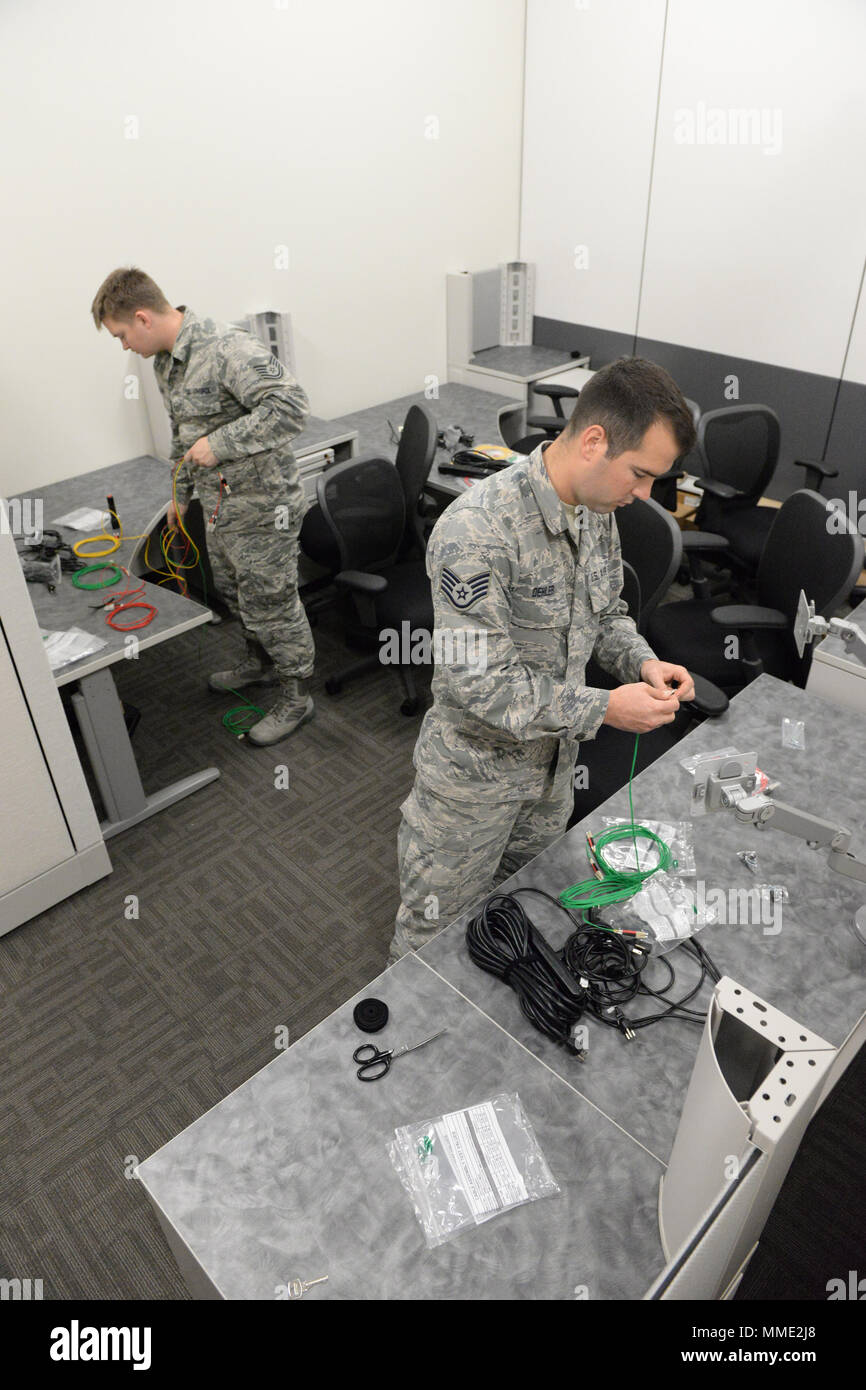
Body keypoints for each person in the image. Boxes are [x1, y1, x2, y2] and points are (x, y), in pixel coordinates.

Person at [391, 356, 698, 961]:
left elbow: (606, 613)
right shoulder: (477, 530)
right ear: (593, 441)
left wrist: (641, 664)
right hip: (472, 786)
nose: (645, 495)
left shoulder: (594, 510)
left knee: (520, 915)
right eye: (640, 474)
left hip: (554, 772)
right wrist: (606, 708)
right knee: (432, 945)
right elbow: (481, 685)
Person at [90, 267, 315, 745]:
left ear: (143, 317)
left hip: (264, 508)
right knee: (237, 596)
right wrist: (180, 494)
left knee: (273, 606)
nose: (124, 345)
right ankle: (259, 667)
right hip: (220, 507)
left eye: (122, 334)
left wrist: (222, 444)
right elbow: (184, 433)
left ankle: (297, 697)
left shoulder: (225, 348)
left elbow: (292, 405)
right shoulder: (165, 363)